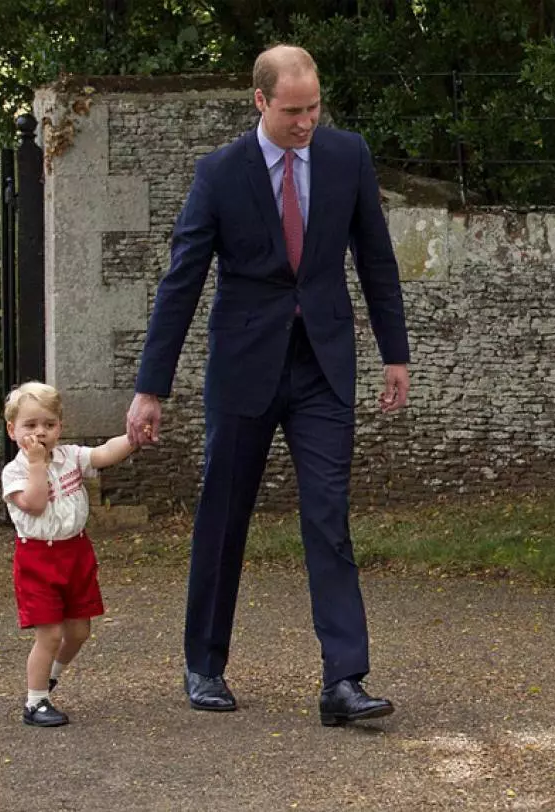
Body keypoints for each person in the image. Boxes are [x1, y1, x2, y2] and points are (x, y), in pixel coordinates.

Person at [125, 44, 410, 725]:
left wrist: (394, 355)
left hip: (323, 367)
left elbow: (376, 256)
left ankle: (343, 680)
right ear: (260, 102)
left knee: (327, 518)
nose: (306, 122)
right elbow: (182, 282)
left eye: (313, 108)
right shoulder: (219, 174)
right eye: (292, 111)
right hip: (243, 368)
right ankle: (204, 664)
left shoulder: (348, 156)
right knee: (223, 517)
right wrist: (150, 388)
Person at [2, 381, 140, 727]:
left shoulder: (70, 456)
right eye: (30, 425)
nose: (41, 432)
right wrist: (36, 464)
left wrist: (133, 438)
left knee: (79, 631)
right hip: (38, 558)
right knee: (48, 634)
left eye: (49, 424)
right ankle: (35, 702)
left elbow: (104, 454)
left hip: (76, 552)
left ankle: (49, 676)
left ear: (60, 427)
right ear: (12, 430)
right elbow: (33, 505)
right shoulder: (15, 471)